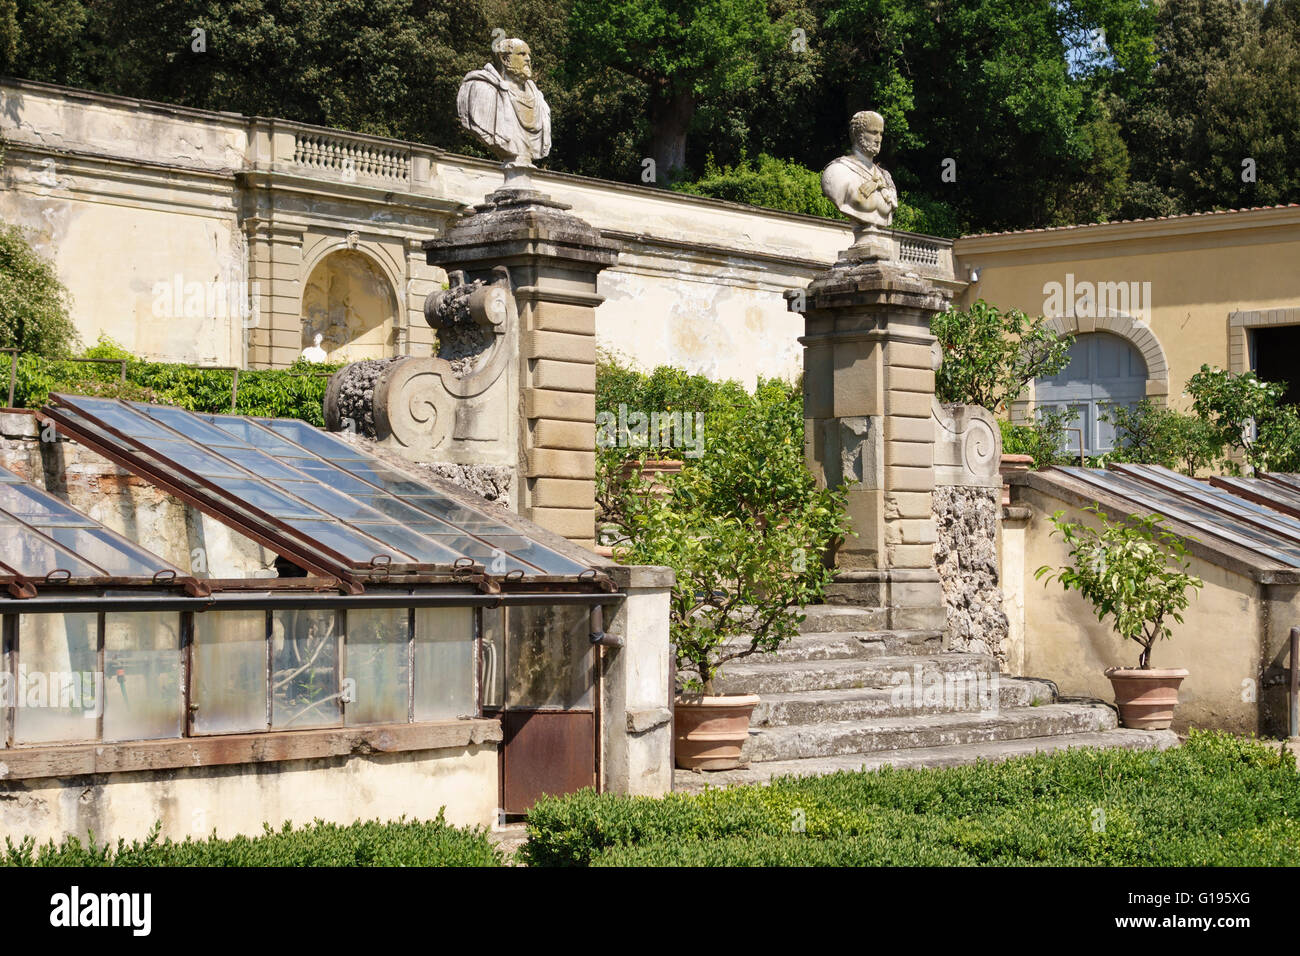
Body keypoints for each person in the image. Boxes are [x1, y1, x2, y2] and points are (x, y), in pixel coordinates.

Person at [457, 38, 552, 166]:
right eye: (522, 54)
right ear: (504, 58)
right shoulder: (480, 90)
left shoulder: (539, 101)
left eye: (529, 54)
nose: (528, 59)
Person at [821, 110, 899, 228]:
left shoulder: (885, 177)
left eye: (881, 133)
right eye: (873, 132)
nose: (878, 139)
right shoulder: (838, 171)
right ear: (857, 134)